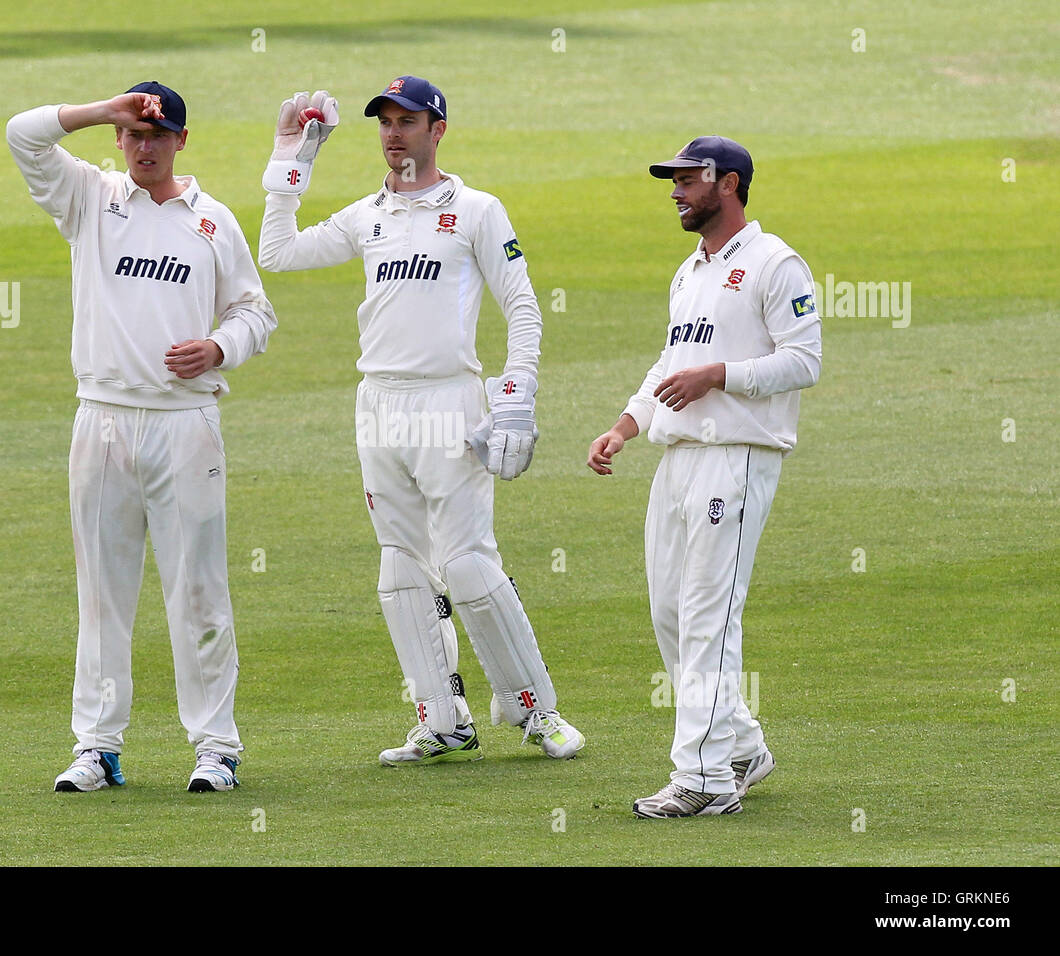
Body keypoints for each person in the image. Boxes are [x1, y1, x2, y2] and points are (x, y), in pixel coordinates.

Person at [257, 77, 584, 765]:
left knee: (466, 564)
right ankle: (441, 720)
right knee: (401, 568)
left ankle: (537, 713)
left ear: (438, 130)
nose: (394, 133)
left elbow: (522, 307)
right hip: (379, 402)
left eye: (409, 121)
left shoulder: (475, 211)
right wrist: (293, 160)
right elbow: (278, 253)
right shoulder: (366, 215)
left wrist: (516, 402)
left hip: (449, 401)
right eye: (385, 122)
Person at [6, 81, 277, 794]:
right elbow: (21, 134)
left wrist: (219, 349)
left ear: (182, 141)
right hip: (101, 420)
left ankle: (215, 748)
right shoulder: (89, 199)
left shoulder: (211, 221)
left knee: (199, 592)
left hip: (186, 424)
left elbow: (255, 313)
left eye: (158, 135)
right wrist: (102, 110)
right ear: (119, 140)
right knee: (102, 592)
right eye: (133, 135)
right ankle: (96, 747)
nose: (144, 147)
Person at [587, 136, 822, 817]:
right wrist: (624, 427)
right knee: (671, 614)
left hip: (738, 458)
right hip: (677, 458)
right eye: (675, 179)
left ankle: (706, 778)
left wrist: (722, 376)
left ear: (730, 184)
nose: (676, 190)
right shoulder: (689, 271)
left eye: (689, 179)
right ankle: (742, 746)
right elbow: (670, 363)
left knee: (707, 617)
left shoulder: (776, 263)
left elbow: (804, 361)